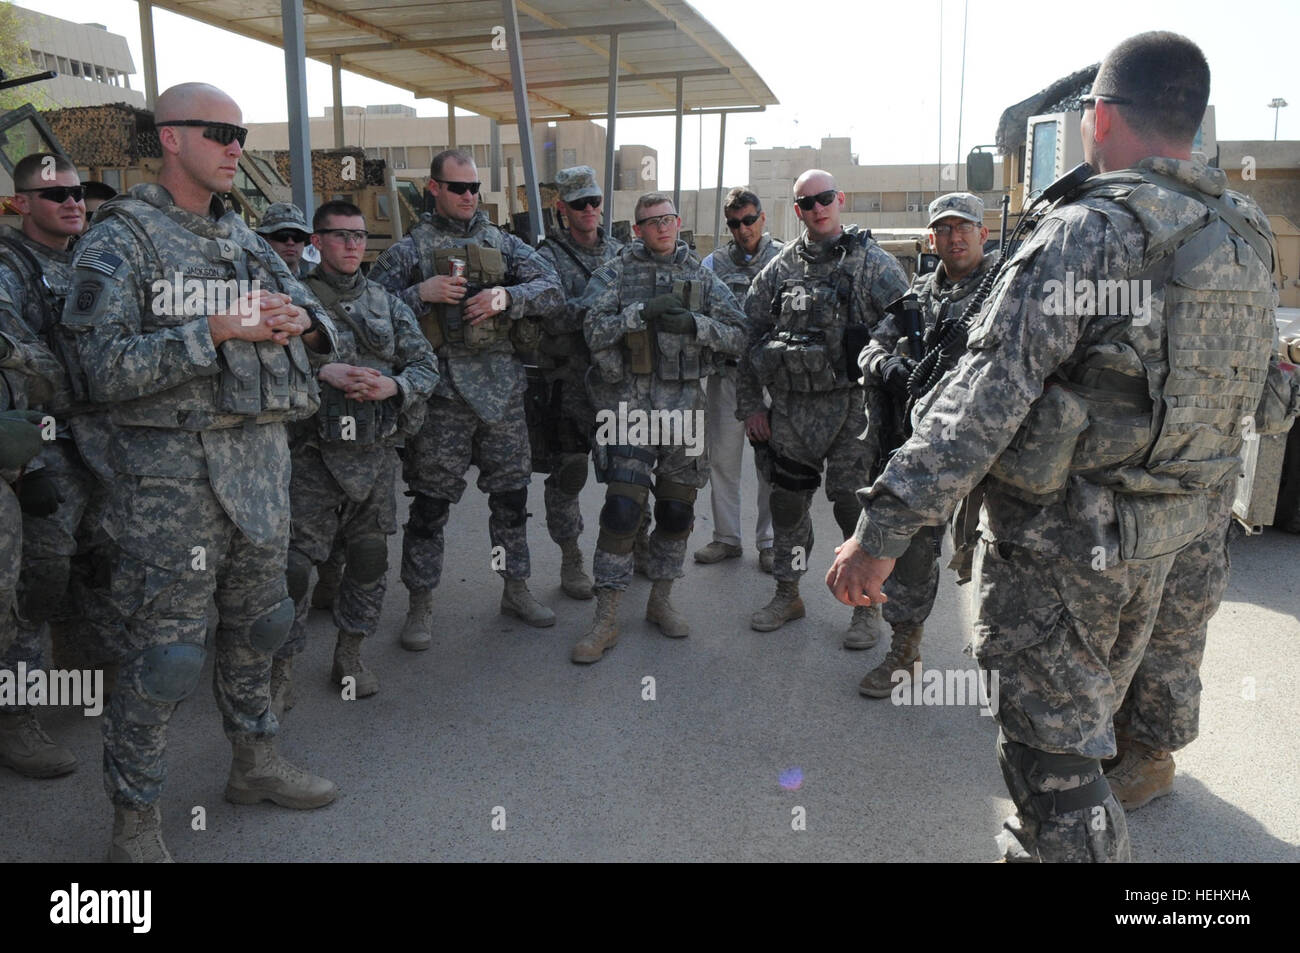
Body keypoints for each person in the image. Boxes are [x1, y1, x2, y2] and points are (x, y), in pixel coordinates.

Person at [826, 32, 1289, 862]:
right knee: (1103, 721)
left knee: (1052, 767)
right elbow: (1272, 395)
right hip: (1178, 537)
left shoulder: (1088, 231)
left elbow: (979, 403)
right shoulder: (1247, 231)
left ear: (1100, 116)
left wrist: (882, 530)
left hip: (1069, 555)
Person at [65, 82, 339, 862]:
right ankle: (135, 821)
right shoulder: (121, 241)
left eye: (241, 134)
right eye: (219, 132)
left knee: (264, 625)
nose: (235, 147)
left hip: (259, 473)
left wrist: (305, 323)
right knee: (167, 654)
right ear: (171, 139)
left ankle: (255, 761)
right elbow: (97, 368)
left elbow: (324, 324)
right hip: (168, 488)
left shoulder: (245, 238)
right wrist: (212, 329)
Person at [371, 149, 564, 649]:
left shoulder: (501, 242)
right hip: (442, 398)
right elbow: (365, 310)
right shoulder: (410, 250)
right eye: (458, 188)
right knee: (431, 506)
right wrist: (421, 294)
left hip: (501, 393)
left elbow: (554, 289)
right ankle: (420, 603)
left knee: (510, 501)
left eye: (475, 188)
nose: (469, 196)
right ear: (434, 188)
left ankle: (513, 587)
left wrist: (507, 298)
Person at [272, 200, 437, 708]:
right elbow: (262, 364)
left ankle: (350, 652)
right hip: (310, 455)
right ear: (316, 241)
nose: (351, 245)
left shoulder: (387, 303)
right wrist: (322, 372)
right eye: (339, 235)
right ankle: (281, 667)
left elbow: (425, 366)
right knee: (293, 567)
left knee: (368, 558)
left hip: (372, 453)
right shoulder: (293, 300)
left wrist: (393, 385)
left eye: (360, 236)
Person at [571, 193, 747, 663]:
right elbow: (590, 329)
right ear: (638, 230)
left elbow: (740, 333)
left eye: (668, 219)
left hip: (685, 408)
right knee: (622, 512)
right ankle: (606, 616)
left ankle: (660, 599)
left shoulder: (702, 276)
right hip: (625, 407)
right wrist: (640, 313)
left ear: (678, 222)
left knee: (675, 512)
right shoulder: (615, 273)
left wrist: (696, 324)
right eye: (651, 222)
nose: (662, 228)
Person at [738, 170, 909, 645]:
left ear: (841, 199)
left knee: (852, 509)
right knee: (788, 507)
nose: (818, 208)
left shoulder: (875, 264)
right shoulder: (780, 268)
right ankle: (788, 593)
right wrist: (753, 406)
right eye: (807, 202)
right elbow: (750, 333)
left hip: (855, 412)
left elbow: (910, 328)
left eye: (825, 198)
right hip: (792, 412)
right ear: (798, 211)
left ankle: (865, 608)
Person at [854, 191, 1000, 686]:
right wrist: (889, 365)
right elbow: (870, 347)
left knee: (1002, 554)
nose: (954, 237)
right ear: (931, 238)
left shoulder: (1005, 289)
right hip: (924, 448)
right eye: (944, 229)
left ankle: (1000, 664)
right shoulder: (917, 295)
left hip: (990, 449)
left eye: (965, 227)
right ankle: (905, 649)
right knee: (913, 551)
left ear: (984, 233)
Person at [0, 153, 96, 778]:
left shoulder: (97, 261)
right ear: (20, 204)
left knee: (97, 559)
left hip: (101, 438)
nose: (71, 202)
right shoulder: (9, 268)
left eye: (77, 192)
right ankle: (16, 711)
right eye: (54, 194)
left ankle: (82, 665)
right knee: (37, 577)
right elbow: (16, 359)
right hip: (43, 441)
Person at [533, 165, 622, 600]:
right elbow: (550, 316)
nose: (589, 210)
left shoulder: (623, 254)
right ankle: (571, 557)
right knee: (569, 473)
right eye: (579, 204)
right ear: (561, 208)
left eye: (594, 202)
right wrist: (598, 310)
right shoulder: (544, 258)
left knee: (629, 471)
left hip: (618, 383)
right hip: (568, 383)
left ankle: (633, 543)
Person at [694, 188, 780, 573]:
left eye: (748, 220)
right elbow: (702, 311)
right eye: (734, 223)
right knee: (723, 461)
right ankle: (727, 537)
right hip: (727, 375)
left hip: (771, 379)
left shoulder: (784, 260)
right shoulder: (713, 264)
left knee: (770, 463)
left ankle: (770, 541)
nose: (743, 229)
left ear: (762, 217)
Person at [255, 202, 314, 279]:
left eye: (298, 236)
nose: (290, 242)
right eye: (282, 236)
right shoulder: (249, 282)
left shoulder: (315, 286)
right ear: (264, 240)